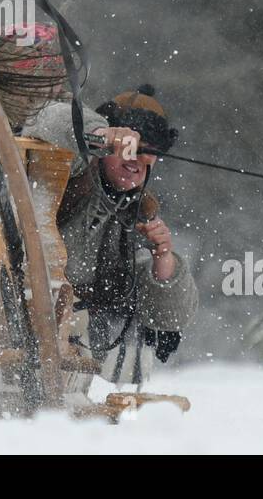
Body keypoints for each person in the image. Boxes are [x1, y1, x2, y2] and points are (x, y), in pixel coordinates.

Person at [23, 84, 198, 386]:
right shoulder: (73, 166)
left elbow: (168, 320)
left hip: (71, 341)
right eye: (128, 149)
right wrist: (99, 134)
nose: (135, 160)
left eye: (147, 153)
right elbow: (44, 116)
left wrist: (163, 262)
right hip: (20, 299)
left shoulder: (140, 215)